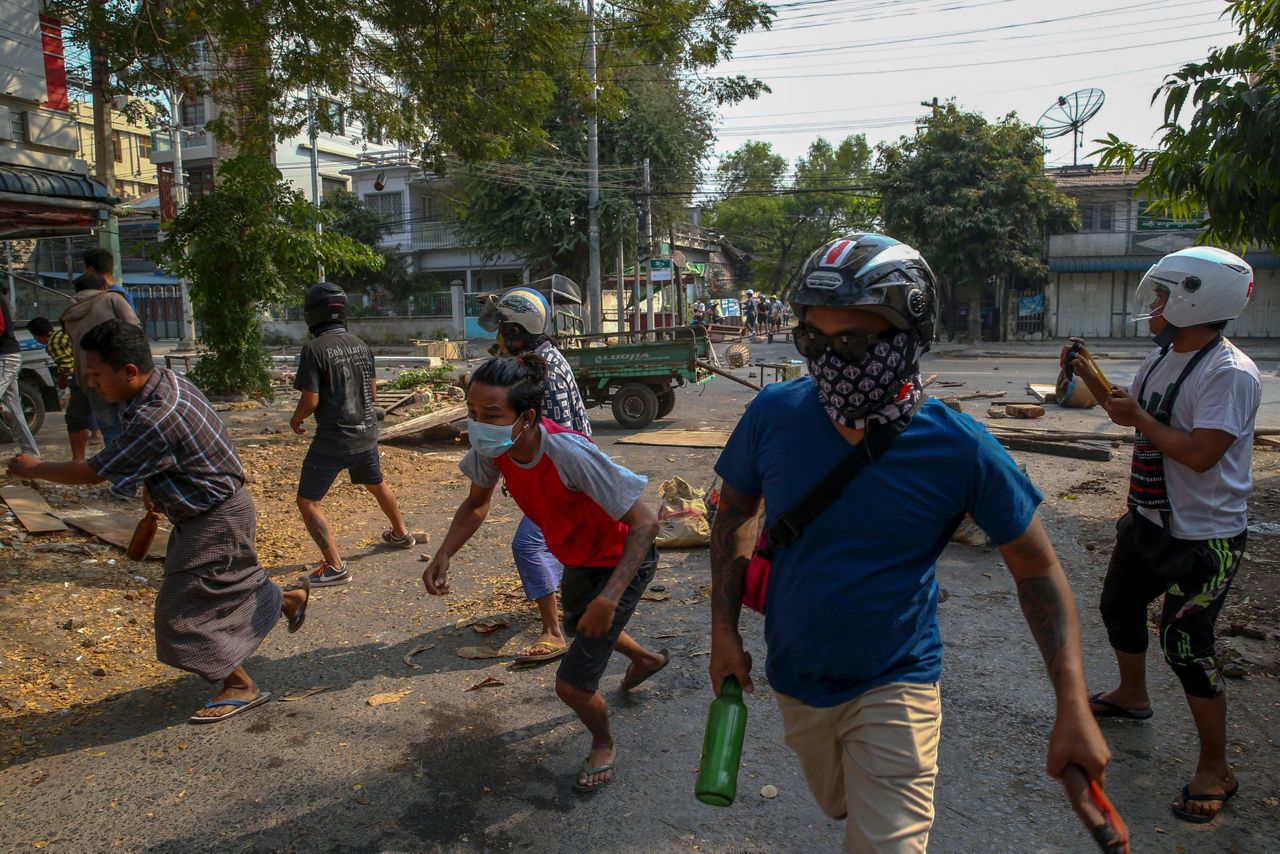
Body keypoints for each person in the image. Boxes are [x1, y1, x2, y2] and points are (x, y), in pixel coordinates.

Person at [709, 233, 1110, 852]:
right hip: (796, 674)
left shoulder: (960, 449)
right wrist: (725, 633)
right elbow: (733, 513)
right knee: (837, 799)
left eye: (853, 342)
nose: (830, 361)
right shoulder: (774, 413)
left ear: (905, 340)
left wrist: (1073, 704)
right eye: (813, 340)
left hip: (899, 678)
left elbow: (1036, 568)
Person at [7, 320, 309, 723]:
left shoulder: (155, 415)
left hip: (214, 517)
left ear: (129, 371)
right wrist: (157, 485)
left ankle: (239, 684)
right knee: (229, 578)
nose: (91, 385)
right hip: (218, 507)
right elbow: (168, 454)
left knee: (179, 616)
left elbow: (96, 471)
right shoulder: (167, 381)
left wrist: (34, 467)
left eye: (95, 375)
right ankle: (289, 600)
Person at [1069, 247, 1260, 825]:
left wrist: (1142, 421)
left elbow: (1202, 454)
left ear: (1194, 300)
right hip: (1149, 518)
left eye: (1160, 297)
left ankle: (1216, 769)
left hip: (1205, 538)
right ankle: (1133, 695)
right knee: (1118, 607)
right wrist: (1089, 373)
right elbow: (1130, 413)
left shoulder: (1229, 374)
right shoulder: (1162, 358)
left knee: (1186, 645)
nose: (1151, 307)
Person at [423, 355, 670, 791]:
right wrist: (445, 551)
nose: (478, 424)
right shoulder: (491, 451)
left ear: (528, 418)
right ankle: (646, 658)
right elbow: (477, 504)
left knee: (572, 685)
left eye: (491, 415)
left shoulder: (568, 453)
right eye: (473, 413)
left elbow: (646, 524)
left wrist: (609, 596)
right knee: (581, 627)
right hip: (579, 557)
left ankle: (603, 743)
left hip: (622, 558)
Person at [477, 287, 593, 663]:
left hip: (565, 474)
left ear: (515, 331)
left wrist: (531, 477)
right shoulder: (545, 356)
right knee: (557, 543)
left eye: (501, 328)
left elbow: (554, 434)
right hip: (573, 470)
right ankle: (579, 610)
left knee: (528, 545)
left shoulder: (541, 372)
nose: (496, 337)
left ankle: (554, 631)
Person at [291, 283, 414, 587]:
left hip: (333, 439)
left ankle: (334, 567)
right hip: (365, 432)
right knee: (376, 482)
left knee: (308, 501)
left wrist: (296, 420)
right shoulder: (361, 344)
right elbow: (371, 391)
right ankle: (401, 534)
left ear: (312, 314)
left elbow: (311, 401)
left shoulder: (313, 350)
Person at [60, 271, 139, 447]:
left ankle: (117, 469)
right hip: (121, 373)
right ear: (103, 286)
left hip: (90, 379)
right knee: (134, 427)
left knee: (110, 429)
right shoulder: (112, 299)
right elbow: (134, 331)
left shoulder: (68, 313)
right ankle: (133, 469)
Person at [27, 317, 81, 458]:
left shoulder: (52, 343)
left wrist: (61, 381)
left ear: (37, 336)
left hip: (81, 377)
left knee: (76, 415)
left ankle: (78, 457)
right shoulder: (60, 335)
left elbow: (68, 367)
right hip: (86, 374)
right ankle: (96, 434)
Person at [0, 295, 40, 456]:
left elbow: (0, 327)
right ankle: (32, 456)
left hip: (5, 357)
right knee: (16, 412)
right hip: (7, 357)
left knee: (14, 411)